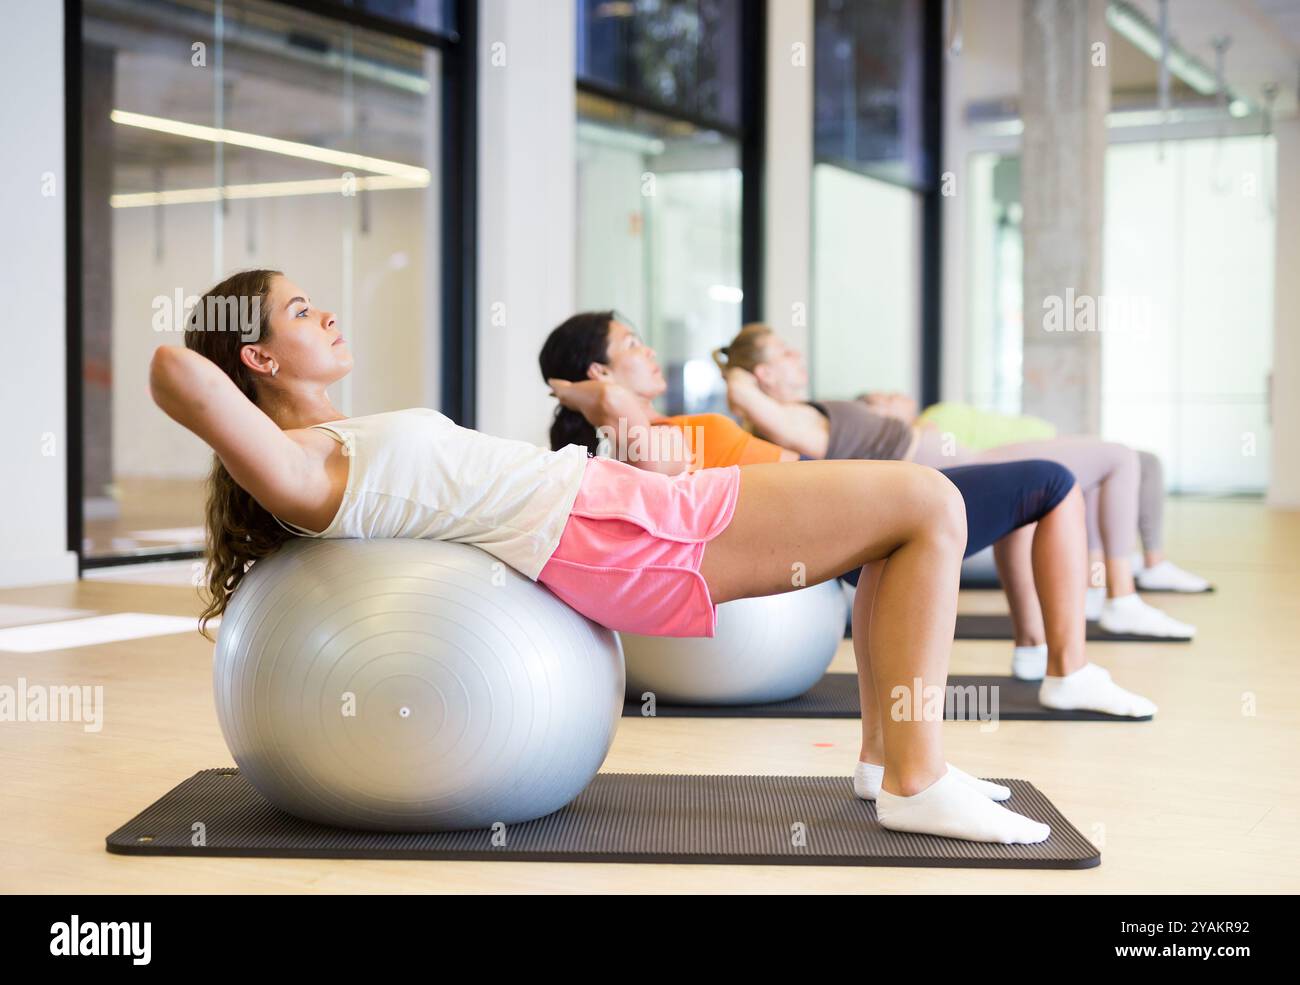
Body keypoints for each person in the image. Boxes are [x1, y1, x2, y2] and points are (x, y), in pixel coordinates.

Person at [151, 269, 1050, 845]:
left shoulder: (332, 440)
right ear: (259, 352)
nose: (328, 310)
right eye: (301, 309)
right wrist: (227, 361)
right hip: (615, 536)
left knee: (903, 519)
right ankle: (916, 777)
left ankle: (888, 761)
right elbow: (173, 368)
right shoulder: (298, 467)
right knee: (929, 500)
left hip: (618, 511)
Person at [540, 311, 1157, 732]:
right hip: (845, 518)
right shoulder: (641, 437)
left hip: (852, 504)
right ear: (598, 375)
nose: (648, 351)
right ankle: (1068, 671)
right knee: (1054, 483)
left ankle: (1030, 666)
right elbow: (661, 478)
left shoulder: (665, 425)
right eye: (630, 346)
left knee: (1040, 488)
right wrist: (610, 404)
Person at [718, 323, 1197, 639]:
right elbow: (744, 395)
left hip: (963, 459)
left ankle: (1033, 644)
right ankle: (1122, 598)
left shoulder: (800, 412)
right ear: (762, 374)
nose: (795, 353)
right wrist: (735, 376)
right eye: (782, 352)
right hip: (951, 474)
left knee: (1040, 502)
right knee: (1117, 458)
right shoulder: (788, 422)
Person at [861, 394, 1210, 595]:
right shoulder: (922, 427)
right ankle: (1125, 589)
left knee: (1135, 462)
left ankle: (1119, 572)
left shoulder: (932, 416)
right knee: (1119, 460)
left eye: (888, 394)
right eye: (879, 403)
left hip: (1042, 443)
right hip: (1010, 460)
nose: (891, 397)